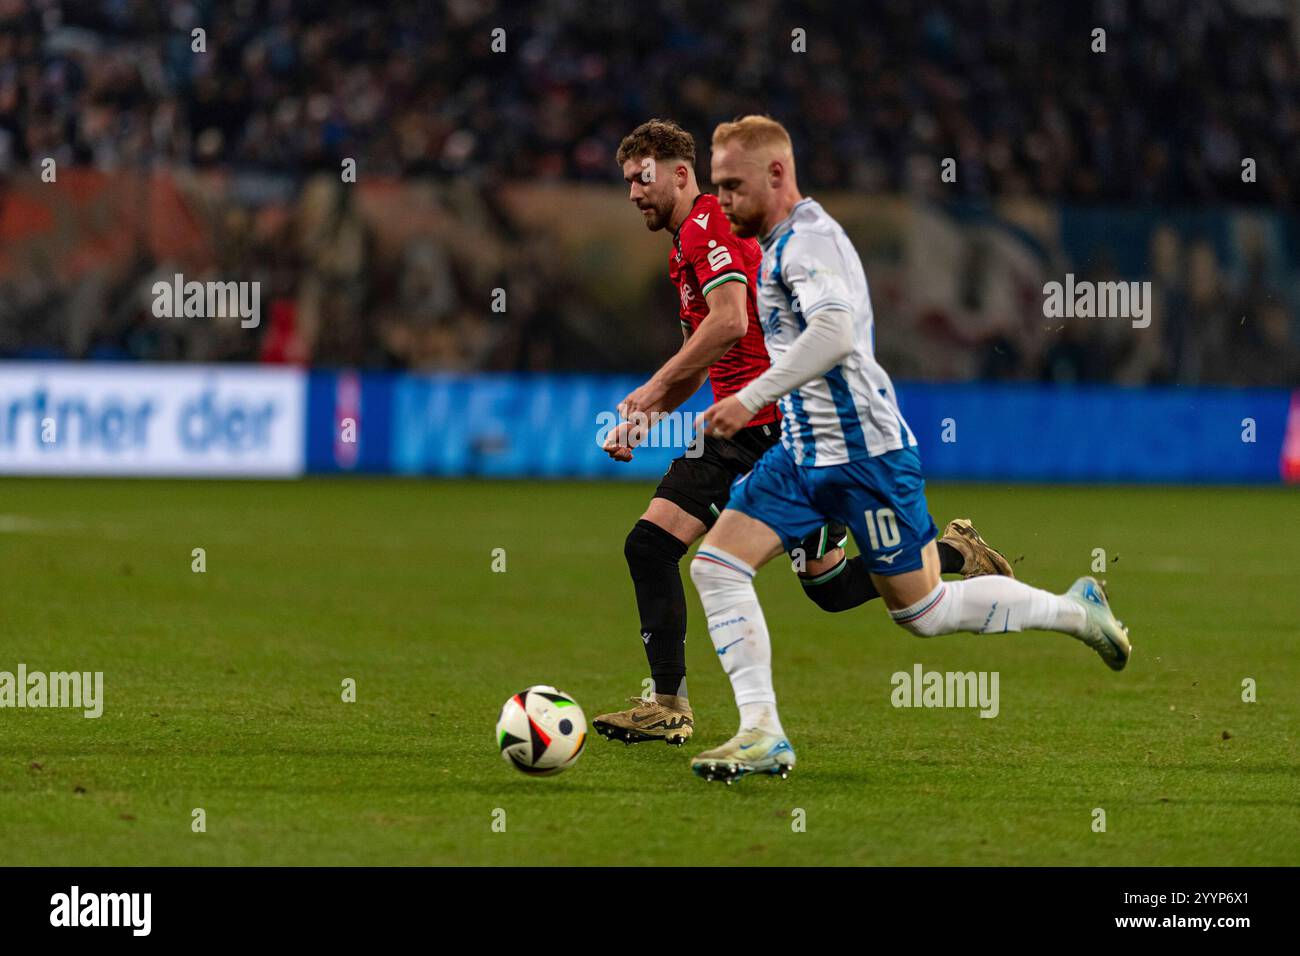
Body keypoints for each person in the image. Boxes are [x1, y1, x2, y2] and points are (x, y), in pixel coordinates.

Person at [688, 116, 1131, 783]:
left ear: (777, 173)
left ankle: (1076, 610)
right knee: (718, 566)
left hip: (867, 456)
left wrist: (751, 398)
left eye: (732, 186)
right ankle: (762, 732)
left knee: (923, 614)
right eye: (716, 187)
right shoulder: (780, 245)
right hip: (803, 456)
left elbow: (835, 333)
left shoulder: (809, 243)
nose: (721, 201)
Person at [592, 120, 1013, 749]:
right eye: (627, 181)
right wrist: (648, 414)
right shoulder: (685, 246)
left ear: (680, 174)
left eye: (640, 178)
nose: (632, 193)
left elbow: (731, 321)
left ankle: (673, 705)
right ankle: (953, 554)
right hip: (746, 426)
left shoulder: (707, 225)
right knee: (821, 586)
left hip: (767, 427)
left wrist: (650, 392)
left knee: (661, 550)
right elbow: (703, 351)